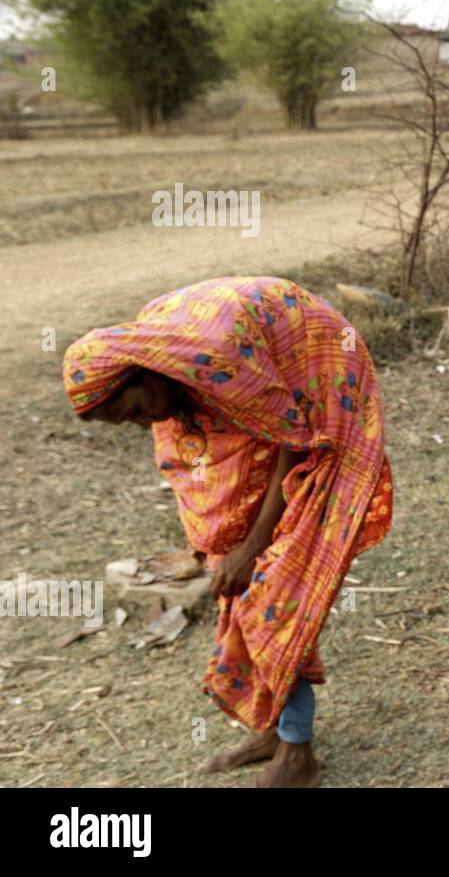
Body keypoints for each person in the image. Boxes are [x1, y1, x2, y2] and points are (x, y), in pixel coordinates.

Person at [63, 275, 393, 787]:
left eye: (134, 410)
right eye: (126, 423)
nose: (142, 423)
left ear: (143, 372)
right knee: (229, 561)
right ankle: (276, 728)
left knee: (273, 590)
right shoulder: (172, 373)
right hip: (255, 367)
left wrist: (253, 546)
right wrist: (227, 549)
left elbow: (294, 437)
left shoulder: (215, 360)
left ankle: (298, 755)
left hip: (317, 368)